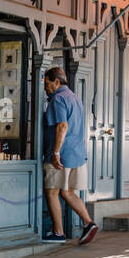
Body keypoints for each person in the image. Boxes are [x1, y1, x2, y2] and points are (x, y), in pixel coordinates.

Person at [42, 66, 98, 245]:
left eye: (47, 83)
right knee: (67, 192)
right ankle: (88, 223)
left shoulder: (58, 99)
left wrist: (55, 152)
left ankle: (58, 232)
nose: (45, 87)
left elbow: (62, 126)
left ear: (56, 82)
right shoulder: (75, 98)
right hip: (77, 153)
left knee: (52, 192)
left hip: (62, 155)